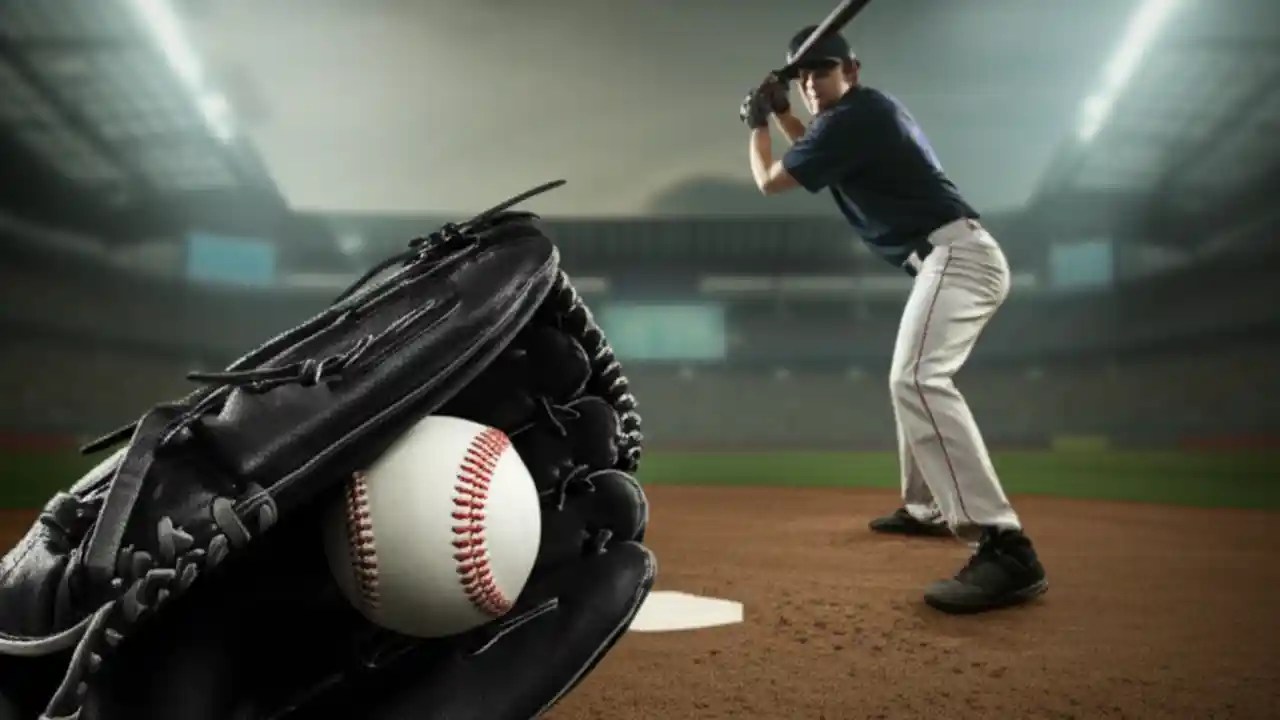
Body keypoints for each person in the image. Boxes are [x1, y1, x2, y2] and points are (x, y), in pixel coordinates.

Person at [739, 26, 1047, 614]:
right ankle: (926, 507)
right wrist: (781, 116)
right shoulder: (853, 120)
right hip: (950, 256)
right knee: (910, 375)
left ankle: (1007, 547)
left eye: (821, 71)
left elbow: (771, 181)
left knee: (917, 378)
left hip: (957, 257)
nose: (810, 83)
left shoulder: (857, 116)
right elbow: (815, 153)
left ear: (851, 70)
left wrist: (755, 123)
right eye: (803, 76)